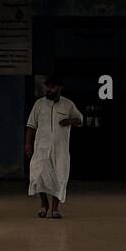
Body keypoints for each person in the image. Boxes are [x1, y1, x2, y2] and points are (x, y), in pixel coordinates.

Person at [24, 76, 82, 219]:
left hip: (60, 150)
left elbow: (80, 120)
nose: (49, 89)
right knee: (38, 176)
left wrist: (69, 120)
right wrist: (28, 144)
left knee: (59, 177)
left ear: (59, 88)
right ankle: (44, 205)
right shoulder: (39, 104)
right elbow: (31, 126)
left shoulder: (68, 105)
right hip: (41, 148)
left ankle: (55, 210)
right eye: (47, 87)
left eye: (52, 87)